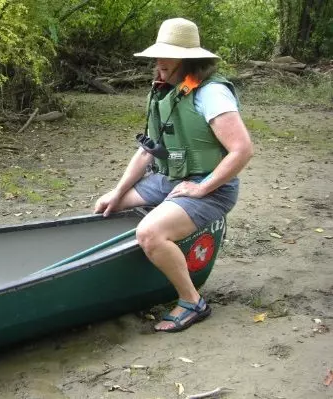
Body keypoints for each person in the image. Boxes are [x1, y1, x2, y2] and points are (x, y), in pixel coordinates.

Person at [94, 18, 253, 332]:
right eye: (157, 54)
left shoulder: (211, 93)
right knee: (106, 207)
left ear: (189, 59)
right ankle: (141, 275)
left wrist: (200, 188)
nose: (158, 62)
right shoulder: (165, 91)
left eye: (167, 55)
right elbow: (147, 151)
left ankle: (192, 301)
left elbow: (242, 150)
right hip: (168, 179)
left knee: (149, 233)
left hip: (210, 187)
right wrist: (117, 191)